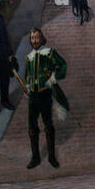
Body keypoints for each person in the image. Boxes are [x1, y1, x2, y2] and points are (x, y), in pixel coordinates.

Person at [23, 27, 66, 168]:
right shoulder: (29, 57)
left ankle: (52, 157)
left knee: (48, 125)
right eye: (32, 38)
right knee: (32, 127)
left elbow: (62, 65)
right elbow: (27, 76)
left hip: (45, 94)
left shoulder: (49, 53)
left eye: (37, 37)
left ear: (42, 39)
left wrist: (53, 77)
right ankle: (35, 158)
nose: (35, 40)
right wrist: (27, 86)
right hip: (33, 97)